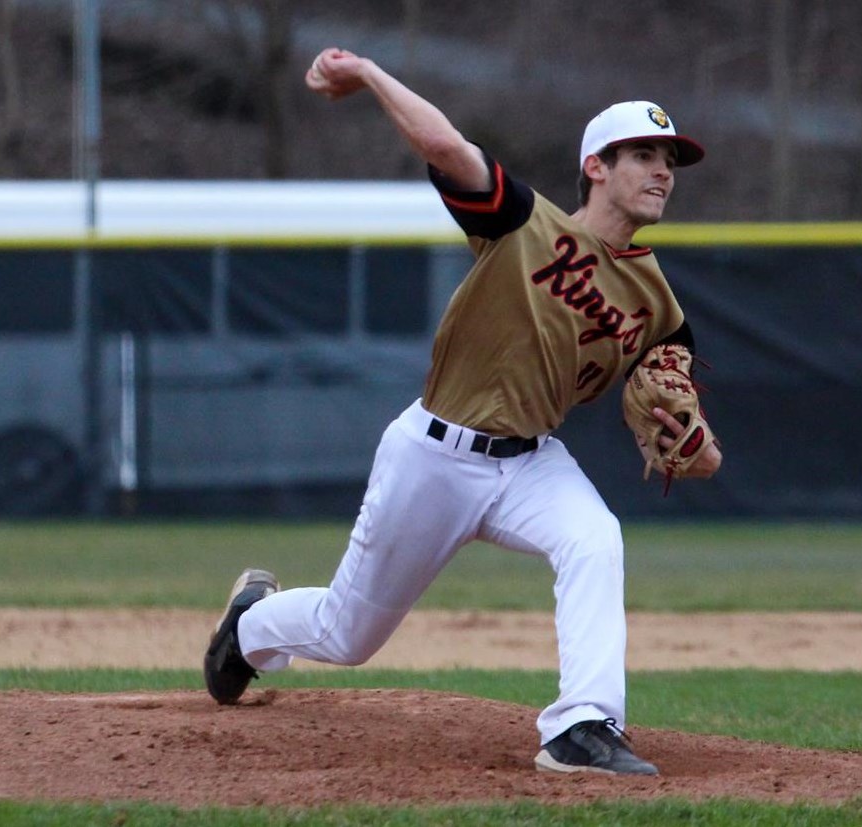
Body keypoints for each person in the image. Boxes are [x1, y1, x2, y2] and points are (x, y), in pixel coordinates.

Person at [203, 46, 723, 777]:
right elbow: (446, 146)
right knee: (348, 633)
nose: (663, 170)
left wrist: (701, 452)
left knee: (595, 539)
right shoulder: (523, 222)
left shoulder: (657, 305)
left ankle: (581, 726)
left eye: (669, 159)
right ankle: (251, 623)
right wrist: (371, 75)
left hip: (532, 461)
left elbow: (685, 420)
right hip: (434, 454)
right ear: (596, 167)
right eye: (643, 153)